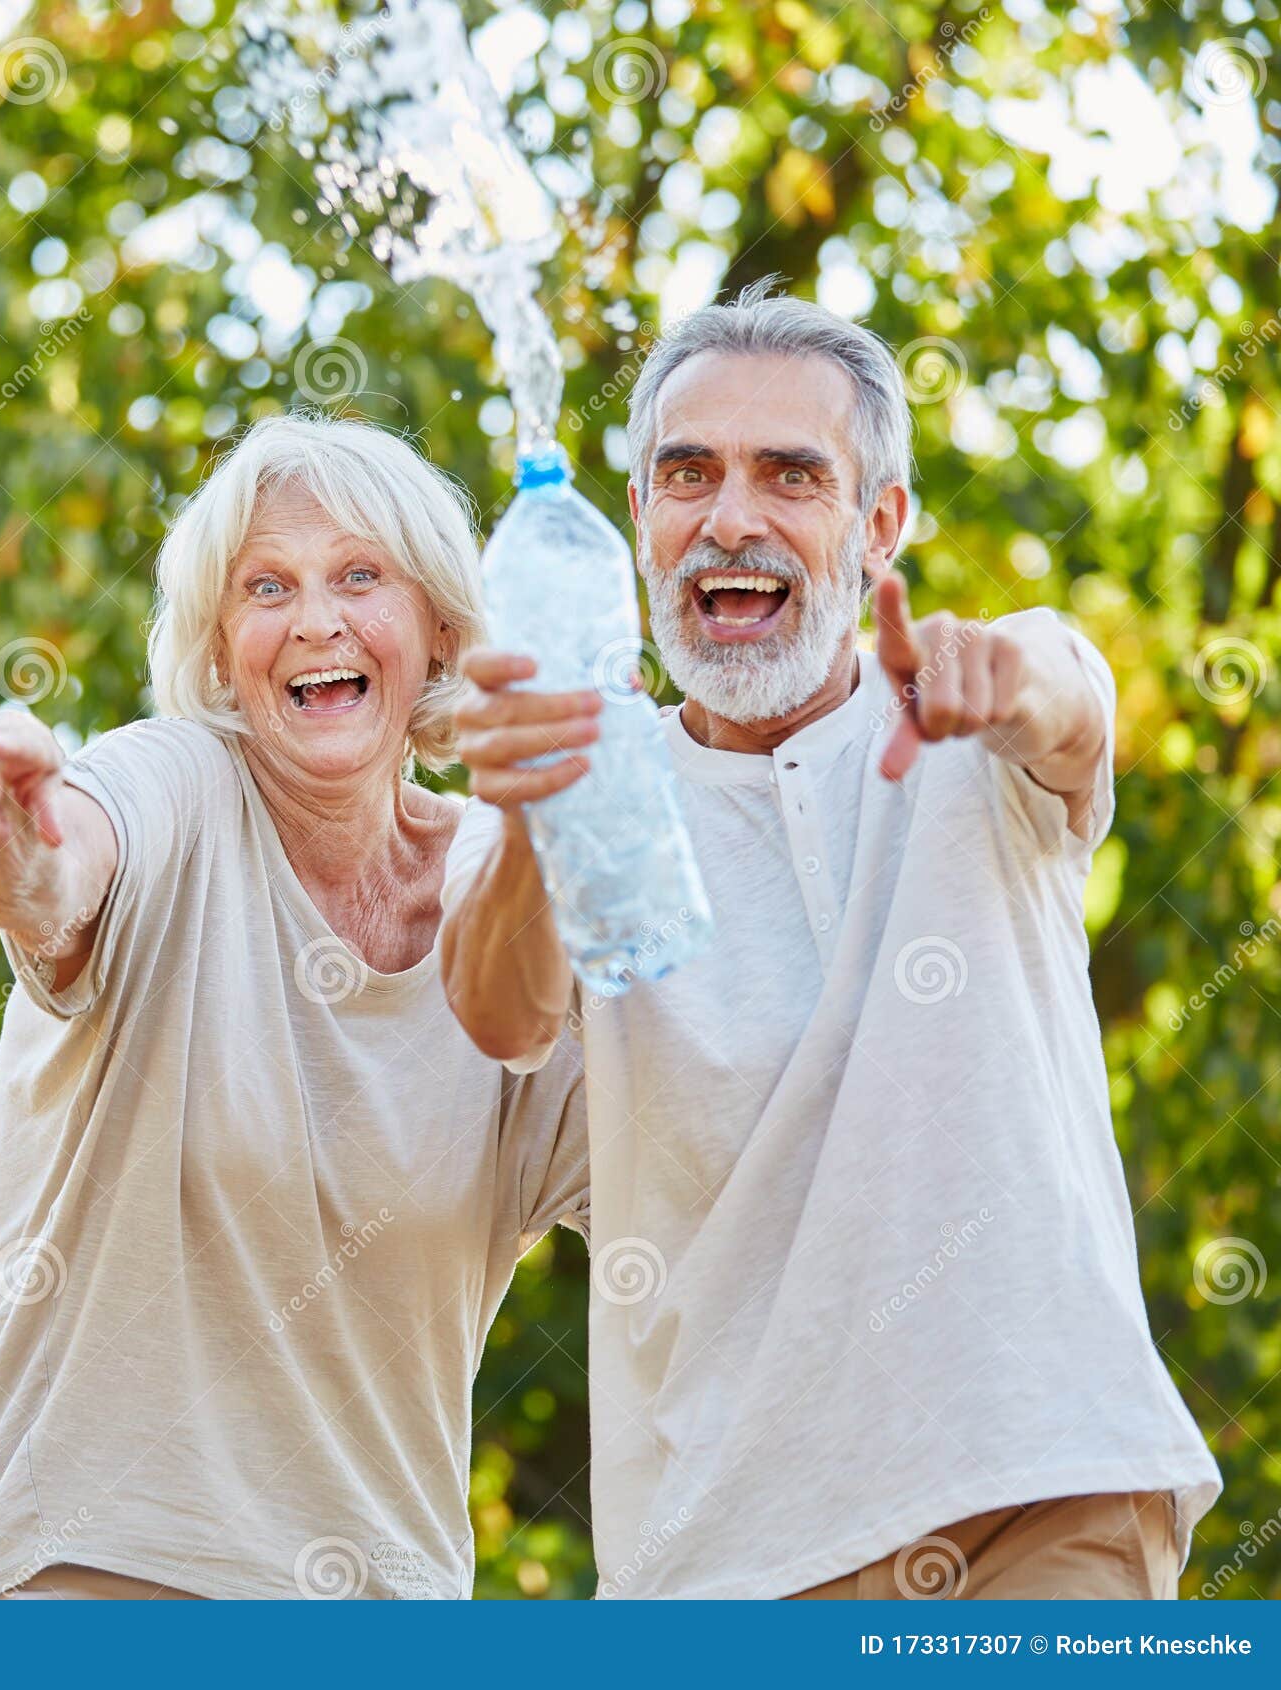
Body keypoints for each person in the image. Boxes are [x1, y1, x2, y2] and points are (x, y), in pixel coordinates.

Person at [440, 280, 1220, 1600]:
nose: (729, 515)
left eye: (790, 474)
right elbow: (503, 1018)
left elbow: (1067, 695)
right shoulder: (582, 782)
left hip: (1038, 1485)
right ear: (638, 518)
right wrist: (527, 824)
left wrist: (1002, 678)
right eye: (687, 472)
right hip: (728, 1556)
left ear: (880, 523)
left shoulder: (970, 723)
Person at [0, 414, 588, 1601]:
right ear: (221, 653)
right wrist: (13, 833)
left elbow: (682, 1179)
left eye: (360, 576)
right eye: (269, 586)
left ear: (440, 632)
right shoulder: (178, 784)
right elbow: (62, 881)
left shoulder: (514, 887)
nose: (316, 618)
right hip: (74, 1564)